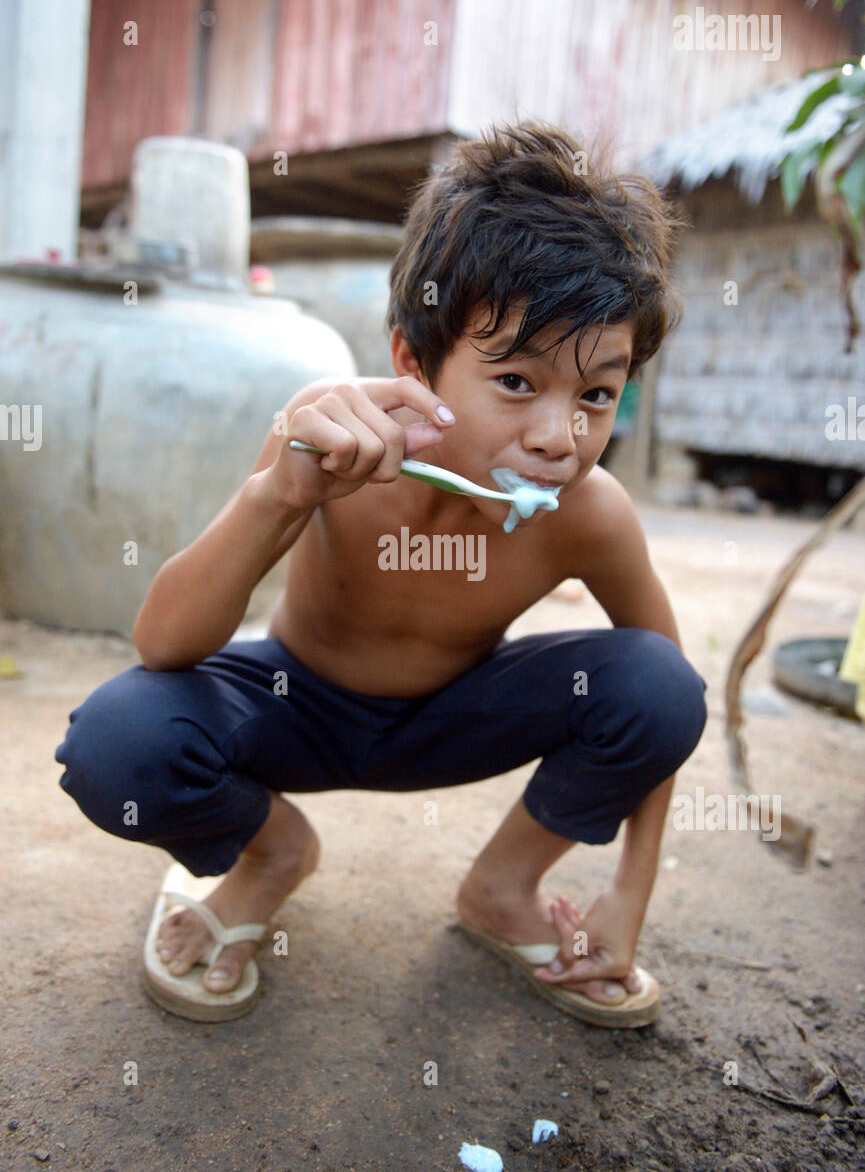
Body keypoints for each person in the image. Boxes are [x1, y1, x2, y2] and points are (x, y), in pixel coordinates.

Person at [55, 119, 707, 1025]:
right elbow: (164, 642)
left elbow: (668, 711)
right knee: (118, 744)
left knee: (657, 683)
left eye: (596, 393)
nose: (561, 438)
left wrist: (630, 896)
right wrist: (279, 492)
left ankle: (502, 887)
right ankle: (272, 854)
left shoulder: (588, 513)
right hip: (295, 704)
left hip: (455, 719)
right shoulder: (330, 441)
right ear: (412, 360)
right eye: (516, 382)